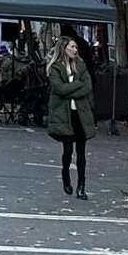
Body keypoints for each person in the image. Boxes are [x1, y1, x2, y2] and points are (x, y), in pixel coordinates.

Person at [46, 37, 95, 199]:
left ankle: (82, 186)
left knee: (81, 152)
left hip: (80, 114)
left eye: (76, 47)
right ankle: (66, 176)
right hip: (64, 114)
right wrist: (76, 85)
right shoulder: (55, 68)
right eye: (72, 47)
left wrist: (71, 90)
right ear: (64, 48)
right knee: (67, 150)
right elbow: (59, 89)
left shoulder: (81, 66)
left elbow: (87, 87)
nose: (75, 50)